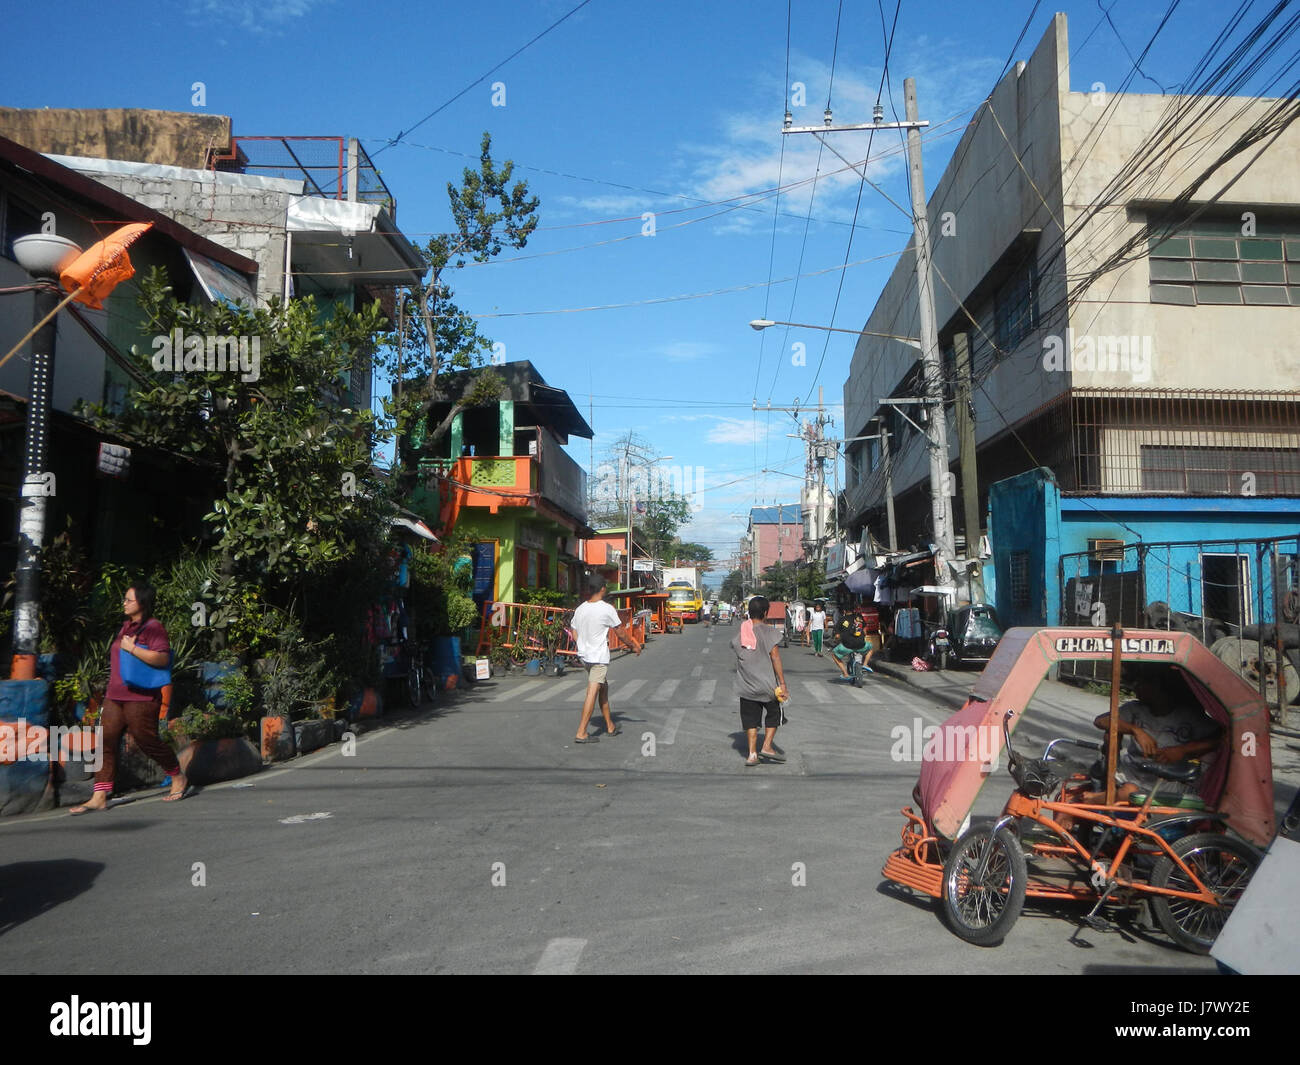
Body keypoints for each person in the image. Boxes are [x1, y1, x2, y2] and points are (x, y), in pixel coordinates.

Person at [70, 582, 189, 814]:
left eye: (128, 600)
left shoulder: (154, 628)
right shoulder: (126, 627)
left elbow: (163, 659)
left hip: (141, 697)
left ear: (142, 603)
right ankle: (100, 794)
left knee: (146, 740)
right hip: (115, 695)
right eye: (124, 599)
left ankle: (177, 775)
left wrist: (133, 649)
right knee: (105, 740)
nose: (124, 603)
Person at [1089, 672, 1223, 802]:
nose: (1136, 687)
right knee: (1110, 736)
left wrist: (1183, 750)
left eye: (1142, 683)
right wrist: (1136, 730)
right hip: (1130, 772)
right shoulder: (1134, 709)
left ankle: (1092, 800)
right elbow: (1100, 721)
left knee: (1128, 792)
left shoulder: (1189, 716)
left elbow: (1221, 738)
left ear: (1159, 687)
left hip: (1165, 781)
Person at [571, 577, 643, 744]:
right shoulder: (607, 609)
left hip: (584, 656)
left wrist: (582, 644)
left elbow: (574, 630)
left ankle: (610, 726)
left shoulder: (581, 608)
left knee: (603, 688)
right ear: (602, 589)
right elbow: (620, 632)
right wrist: (633, 646)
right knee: (592, 692)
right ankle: (581, 732)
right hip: (597, 658)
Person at [730, 595, 788, 766]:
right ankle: (767, 746)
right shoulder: (771, 632)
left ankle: (752, 754)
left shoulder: (742, 633)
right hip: (768, 686)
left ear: (749, 612)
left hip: (746, 686)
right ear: (765, 612)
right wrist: (782, 683)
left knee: (750, 721)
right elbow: (775, 657)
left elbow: (736, 649)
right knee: (774, 715)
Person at [830, 609, 868, 680]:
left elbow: (837, 636)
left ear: (844, 611)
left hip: (847, 645)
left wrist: (836, 640)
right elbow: (865, 630)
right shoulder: (859, 618)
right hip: (860, 643)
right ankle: (865, 665)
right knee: (865, 650)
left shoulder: (842, 620)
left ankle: (845, 674)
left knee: (834, 654)